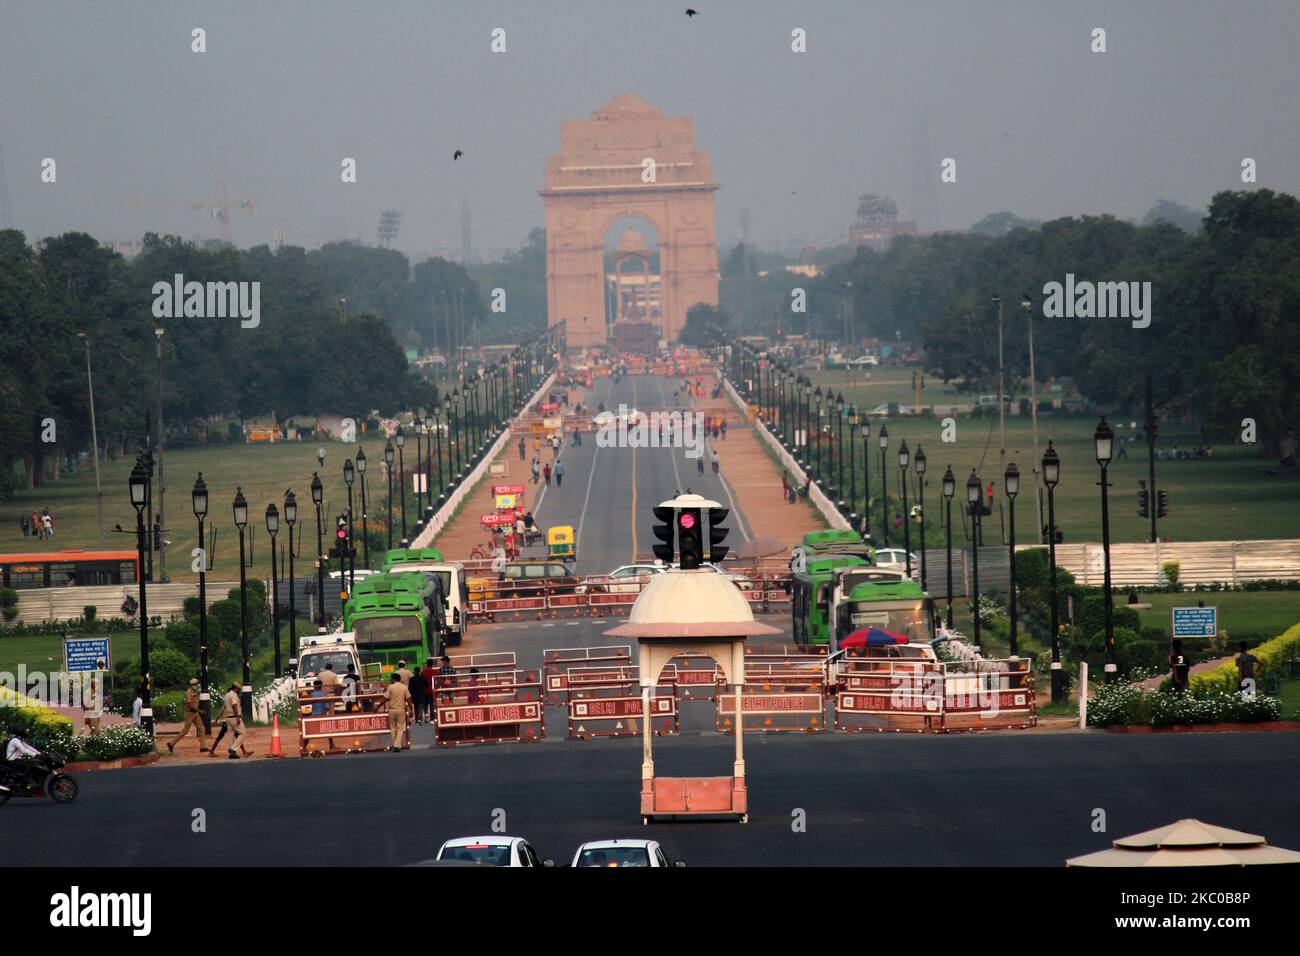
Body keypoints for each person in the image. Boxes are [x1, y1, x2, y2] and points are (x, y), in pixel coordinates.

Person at [168, 678, 209, 753]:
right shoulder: (189, 692)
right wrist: (199, 710)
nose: (195, 685)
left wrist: (198, 710)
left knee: (202, 728)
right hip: (189, 713)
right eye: (194, 684)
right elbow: (189, 704)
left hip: (195, 713)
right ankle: (171, 743)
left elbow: (196, 701)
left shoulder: (195, 691)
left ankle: (203, 747)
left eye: (196, 684)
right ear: (191, 685)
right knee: (185, 731)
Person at [219, 682, 254, 759]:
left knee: (231, 735)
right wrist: (238, 717)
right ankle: (233, 749)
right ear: (236, 688)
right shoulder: (233, 695)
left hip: (228, 718)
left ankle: (232, 754)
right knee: (243, 734)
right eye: (238, 689)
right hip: (234, 717)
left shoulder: (227, 695)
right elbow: (234, 705)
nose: (239, 691)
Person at [382, 672, 411, 751]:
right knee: (400, 728)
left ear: (394, 679)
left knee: (393, 728)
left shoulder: (390, 687)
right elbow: (408, 699)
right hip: (401, 709)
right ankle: (397, 745)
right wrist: (411, 709)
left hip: (391, 709)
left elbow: (385, 698)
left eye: (391, 679)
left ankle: (396, 744)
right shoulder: (404, 687)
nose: (390, 680)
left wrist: (377, 707)